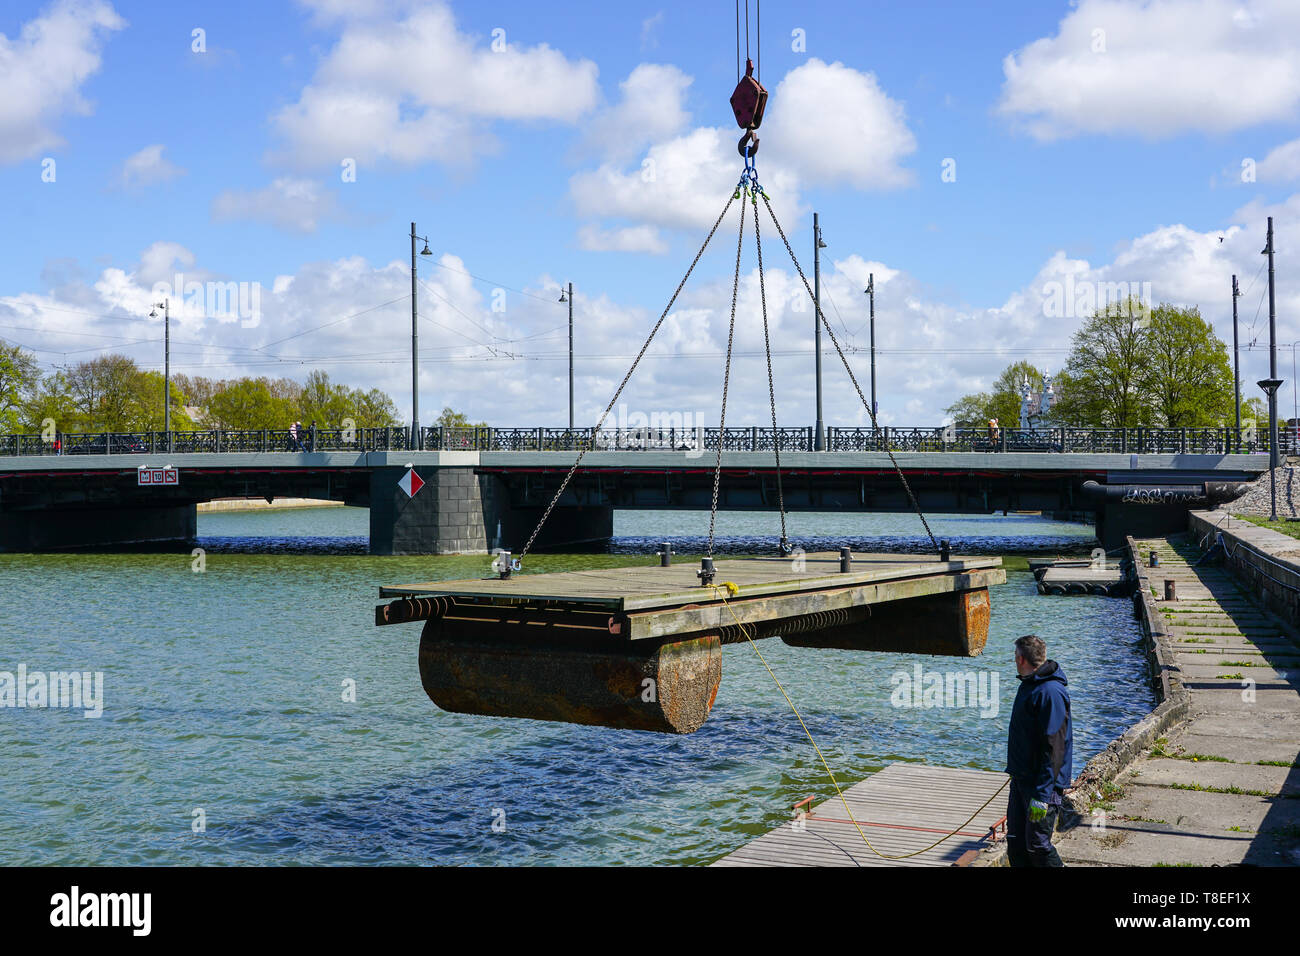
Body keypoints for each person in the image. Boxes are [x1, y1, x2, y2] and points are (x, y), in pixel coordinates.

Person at [1004, 634, 1072, 867]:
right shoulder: (1030, 685)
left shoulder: (1050, 693)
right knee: (1015, 841)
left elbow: (1054, 748)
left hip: (1042, 790)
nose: (1014, 660)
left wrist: (1042, 797)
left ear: (1021, 659)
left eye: (1015, 656)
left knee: (1037, 844)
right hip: (1021, 782)